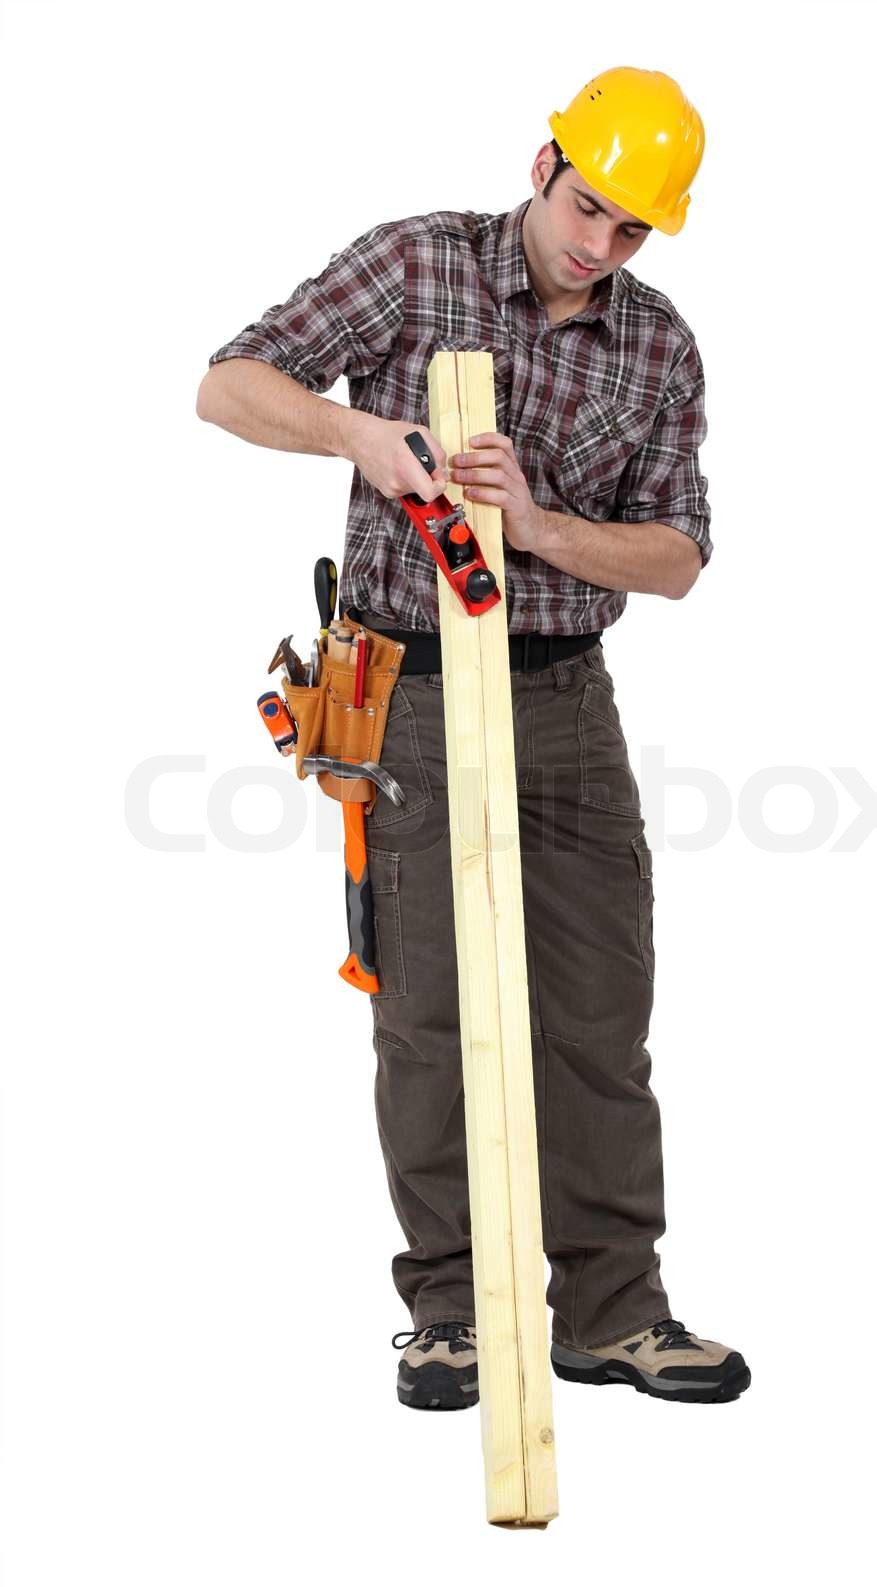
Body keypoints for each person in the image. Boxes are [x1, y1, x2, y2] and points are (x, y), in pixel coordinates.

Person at [197, 65, 751, 1411]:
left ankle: (613, 1311)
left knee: (598, 1016)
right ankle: (450, 1314)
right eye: (589, 208)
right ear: (543, 161)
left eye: (633, 230)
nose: (599, 245)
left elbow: (676, 557)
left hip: (563, 694)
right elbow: (226, 386)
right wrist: (357, 434)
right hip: (409, 692)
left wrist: (543, 526)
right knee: (434, 1015)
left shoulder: (658, 343)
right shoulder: (415, 265)